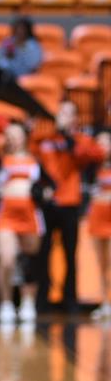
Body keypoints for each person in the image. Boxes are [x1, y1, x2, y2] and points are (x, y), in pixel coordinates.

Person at [35, 100, 96, 312]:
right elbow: (34, 156)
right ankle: (43, 298)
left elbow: (89, 156)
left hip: (70, 202)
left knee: (70, 253)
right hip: (48, 203)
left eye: (68, 113)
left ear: (75, 118)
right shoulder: (46, 140)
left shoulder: (80, 140)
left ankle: (70, 299)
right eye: (61, 112)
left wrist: (68, 137)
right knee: (43, 253)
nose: (64, 117)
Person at [0, 120, 43, 326]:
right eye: (9, 134)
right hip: (7, 214)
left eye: (16, 133)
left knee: (30, 259)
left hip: (30, 214)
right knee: (7, 259)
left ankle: (28, 302)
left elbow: (48, 184)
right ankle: (5, 303)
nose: (13, 137)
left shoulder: (36, 159)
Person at [87, 131, 111, 321]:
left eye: (106, 142)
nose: (102, 146)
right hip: (97, 215)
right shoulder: (92, 167)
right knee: (101, 263)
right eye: (99, 143)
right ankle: (105, 303)